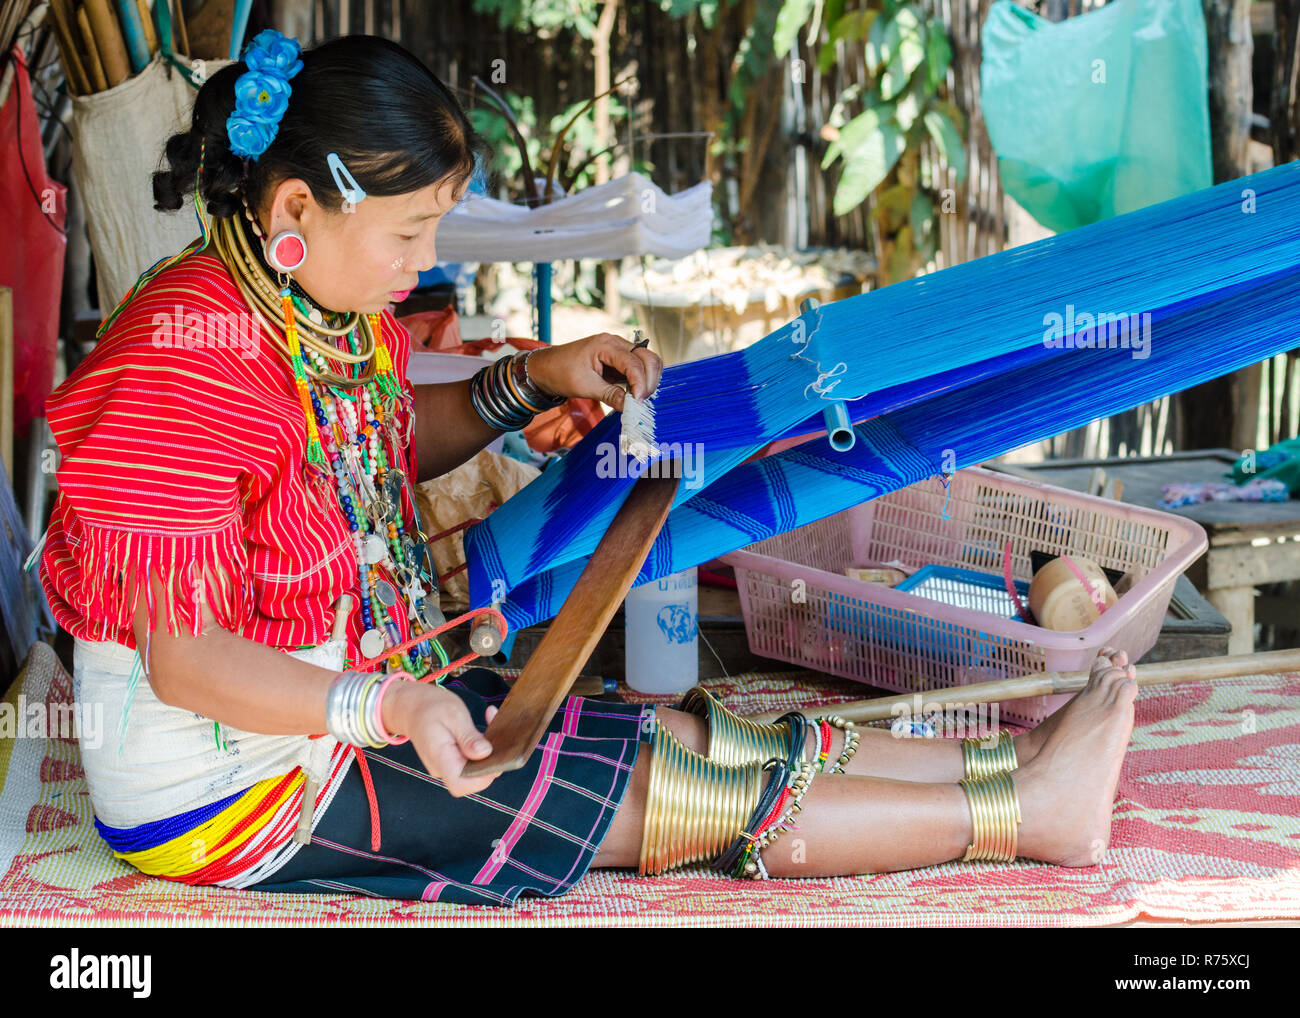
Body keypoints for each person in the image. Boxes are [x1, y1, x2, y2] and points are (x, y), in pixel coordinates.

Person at [40, 31, 1139, 904]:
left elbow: (363, 455)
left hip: (320, 708)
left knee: (665, 731)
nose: (427, 264)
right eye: (411, 233)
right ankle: (1030, 813)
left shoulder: (308, 306)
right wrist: (387, 704)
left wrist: (530, 381)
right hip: (226, 790)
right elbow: (182, 659)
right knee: (662, 795)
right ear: (293, 211)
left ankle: (1008, 766)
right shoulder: (174, 365)